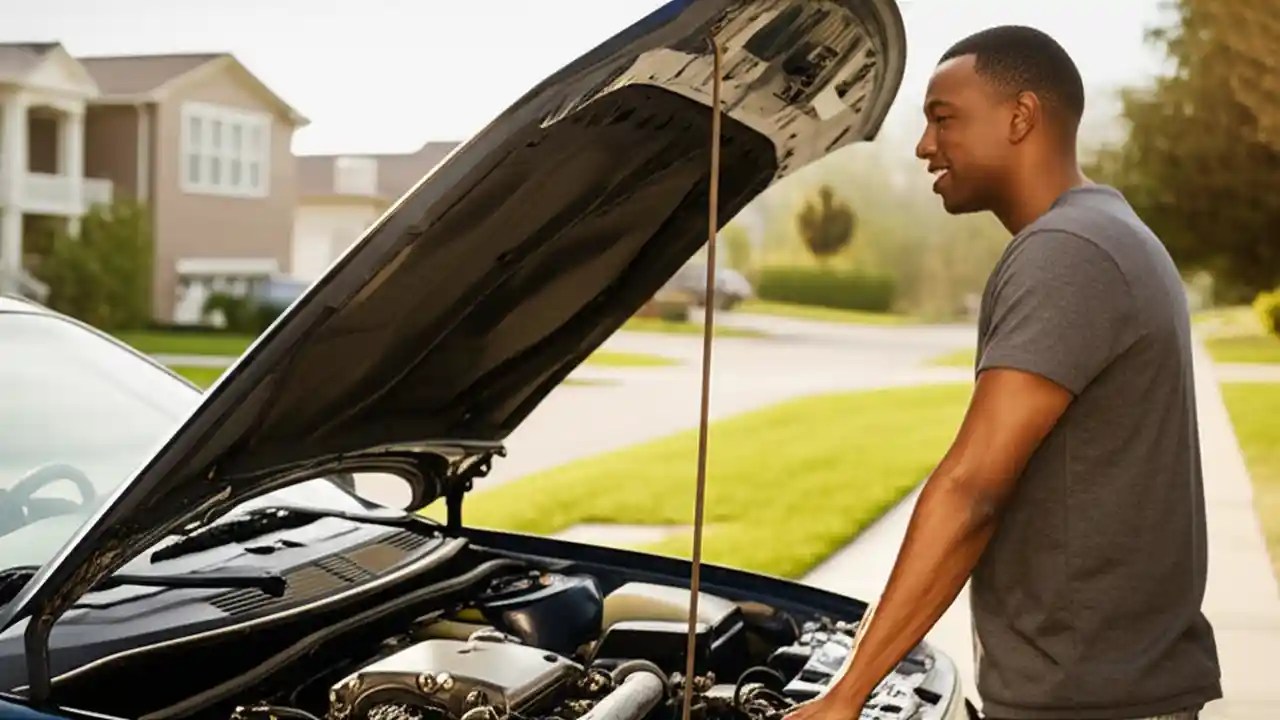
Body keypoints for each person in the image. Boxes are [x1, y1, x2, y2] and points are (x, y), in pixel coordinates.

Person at [782, 25, 1222, 720]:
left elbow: (972, 489)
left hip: (1088, 704)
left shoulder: (1067, 251)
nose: (927, 145)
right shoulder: (1108, 232)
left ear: (1020, 118)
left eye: (943, 118)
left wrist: (846, 694)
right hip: (1115, 690)